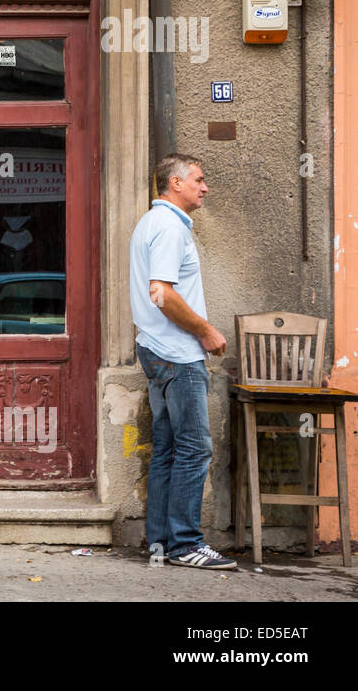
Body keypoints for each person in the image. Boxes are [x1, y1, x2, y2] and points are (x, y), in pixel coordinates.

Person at [128, 153, 236, 569]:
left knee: (169, 450)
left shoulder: (151, 224)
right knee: (194, 449)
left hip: (158, 349)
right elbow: (163, 293)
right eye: (198, 180)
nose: (204, 187)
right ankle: (186, 544)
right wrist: (206, 332)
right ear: (174, 183)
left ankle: (160, 543)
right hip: (177, 354)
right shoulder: (169, 228)